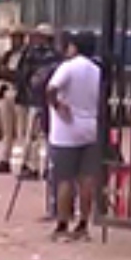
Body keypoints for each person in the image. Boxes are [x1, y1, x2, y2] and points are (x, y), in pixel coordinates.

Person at [46, 32, 102, 242]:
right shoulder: (97, 71)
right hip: (90, 126)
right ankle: (83, 224)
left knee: (64, 179)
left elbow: (51, 89)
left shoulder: (68, 67)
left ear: (75, 47)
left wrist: (58, 105)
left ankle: (62, 224)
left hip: (66, 129)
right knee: (86, 178)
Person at [15, 23, 61, 180]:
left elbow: (23, 75)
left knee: (34, 135)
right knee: (44, 135)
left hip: (37, 98)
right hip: (43, 98)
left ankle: (32, 166)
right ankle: (46, 167)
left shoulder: (33, 54)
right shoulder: (56, 56)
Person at [0, 27, 28, 160]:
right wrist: (7, 74)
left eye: (17, 38)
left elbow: (22, 76)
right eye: (12, 38)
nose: (14, 41)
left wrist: (7, 73)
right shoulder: (8, 54)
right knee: (7, 130)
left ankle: (24, 160)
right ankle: (5, 158)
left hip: (20, 94)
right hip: (7, 92)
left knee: (22, 130)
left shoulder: (28, 55)